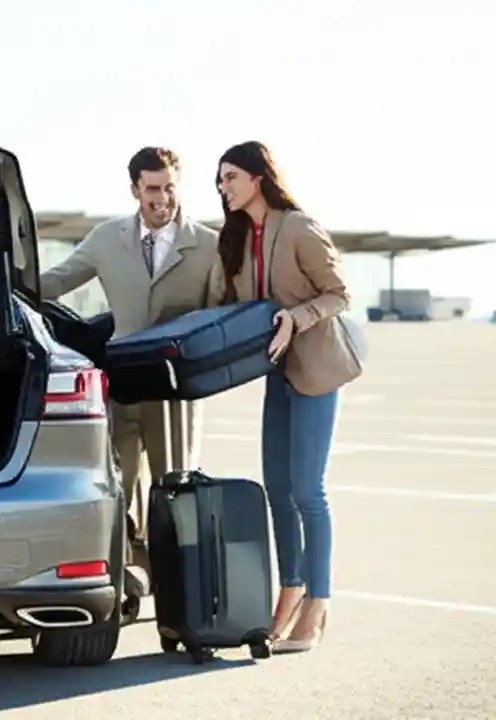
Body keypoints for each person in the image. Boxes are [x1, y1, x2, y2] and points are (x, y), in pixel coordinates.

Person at [206, 140, 360, 653]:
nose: (224, 187)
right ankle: (290, 589)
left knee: (308, 490)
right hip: (278, 373)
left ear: (257, 178)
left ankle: (318, 602)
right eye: (220, 179)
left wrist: (297, 317)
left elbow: (339, 293)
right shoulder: (236, 237)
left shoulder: (298, 227)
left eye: (231, 176)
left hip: (317, 369)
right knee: (277, 488)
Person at [40, 146, 220, 571]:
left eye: (169, 188)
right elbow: (58, 281)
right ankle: (126, 577)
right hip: (121, 387)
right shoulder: (107, 238)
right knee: (116, 489)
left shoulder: (209, 246)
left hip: (174, 393)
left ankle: (177, 583)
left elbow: (222, 311)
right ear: (135, 189)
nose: (162, 198)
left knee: (175, 492)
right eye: (152, 189)